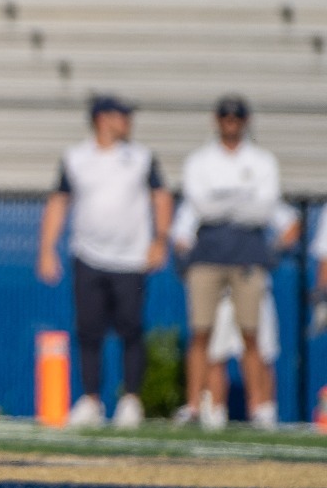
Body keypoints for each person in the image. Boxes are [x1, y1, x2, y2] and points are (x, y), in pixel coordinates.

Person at [37, 94, 171, 428]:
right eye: (121, 115)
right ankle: (91, 399)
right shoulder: (77, 157)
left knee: (130, 329)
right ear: (102, 118)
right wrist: (46, 249)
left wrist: (160, 239)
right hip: (89, 255)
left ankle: (131, 400)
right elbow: (59, 201)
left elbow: (161, 196)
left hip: (130, 258)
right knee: (89, 330)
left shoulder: (140, 157)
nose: (127, 121)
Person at [174, 95, 295, 429]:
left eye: (236, 118)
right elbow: (200, 206)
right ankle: (195, 405)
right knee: (202, 334)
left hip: (247, 259)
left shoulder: (262, 160)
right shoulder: (199, 161)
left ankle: (260, 407)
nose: (231, 123)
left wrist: (221, 203)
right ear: (217, 120)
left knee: (252, 335)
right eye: (226, 117)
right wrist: (240, 202)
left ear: (245, 121)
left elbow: (265, 207)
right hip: (208, 257)